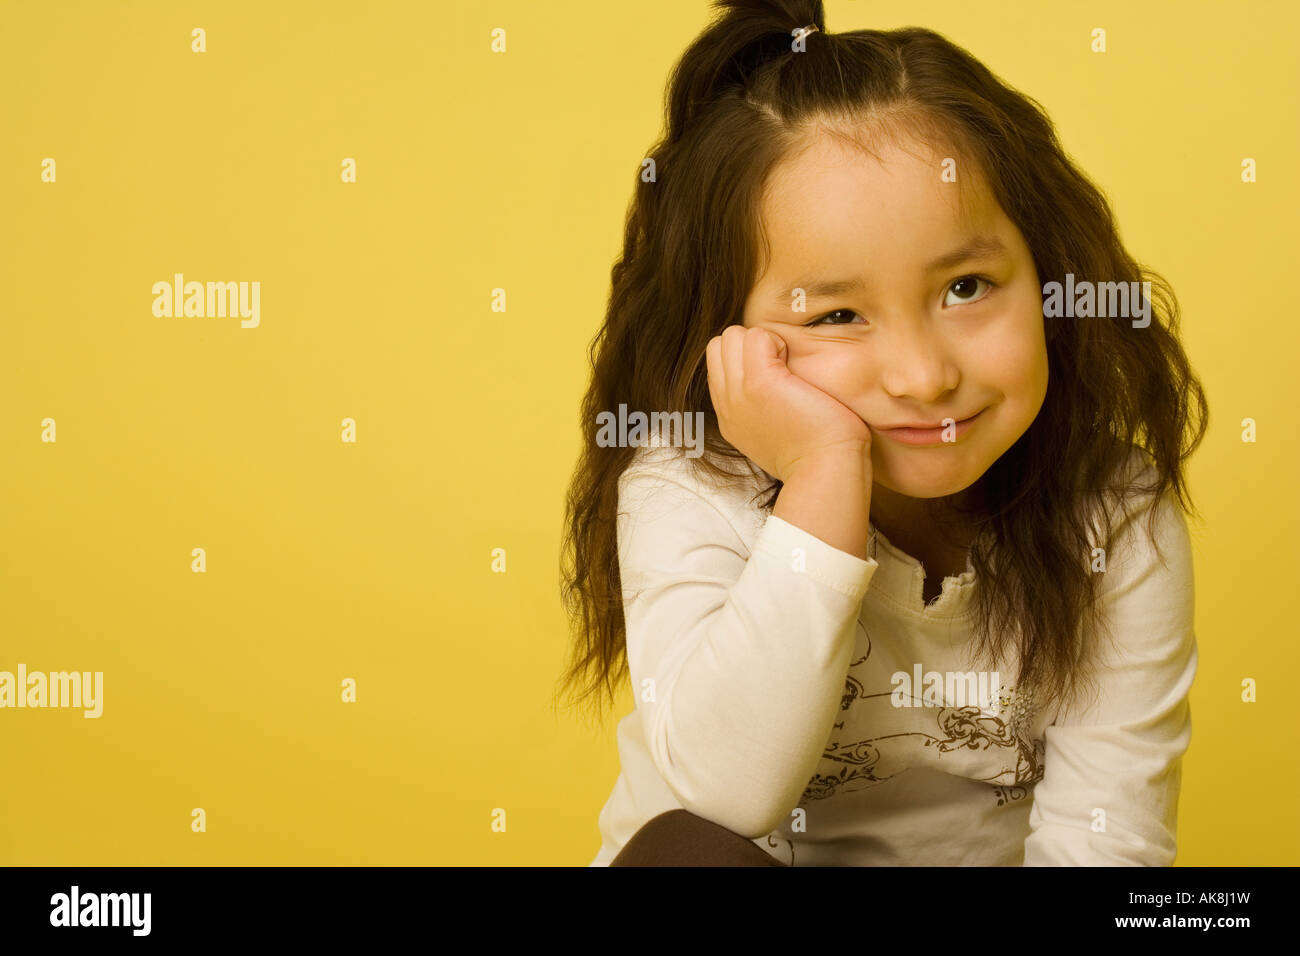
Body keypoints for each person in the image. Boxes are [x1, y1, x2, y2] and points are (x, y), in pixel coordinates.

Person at [556, 0, 1208, 866]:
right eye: (836, 313)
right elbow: (728, 796)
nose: (923, 375)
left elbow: (1109, 843)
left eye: (967, 288)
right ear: (725, 338)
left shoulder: (1112, 514)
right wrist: (825, 473)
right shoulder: (684, 489)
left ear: (1050, 274)